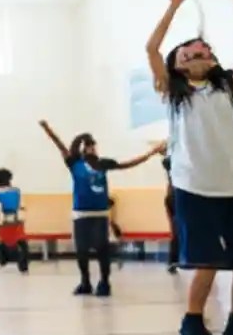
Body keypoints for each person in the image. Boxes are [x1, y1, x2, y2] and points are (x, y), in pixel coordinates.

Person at [147, 0, 233, 335]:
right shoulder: (172, 92)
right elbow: (152, 47)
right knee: (207, 262)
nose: (198, 53)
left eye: (204, 51)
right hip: (193, 188)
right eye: (189, 52)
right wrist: (173, 6)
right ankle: (193, 321)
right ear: (178, 65)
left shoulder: (228, 86)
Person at [39, 121, 162, 297]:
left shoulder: (103, 164)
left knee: (102, 249)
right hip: (81, 214)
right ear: (82, 149)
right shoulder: (75, 163)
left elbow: (127, 164)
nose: (92, 148)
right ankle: (85, 282)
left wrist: (151, 153)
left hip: (100, 215)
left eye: (93, 145)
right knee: (81, 250)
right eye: (88, 146)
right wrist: (47, 129)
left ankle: (104, 282)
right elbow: (59, 145)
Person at [0, 168, 29, 273]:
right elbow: (20, 205)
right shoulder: (16, 191)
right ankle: (23, 265)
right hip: (16, 220)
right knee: (21, 242)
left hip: (1, 221)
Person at [161, 154, 179, 273]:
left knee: (175, 231)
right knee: (176, 232)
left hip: (172, 196)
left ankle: (172, 261)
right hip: (176, 196)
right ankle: (173, 261)